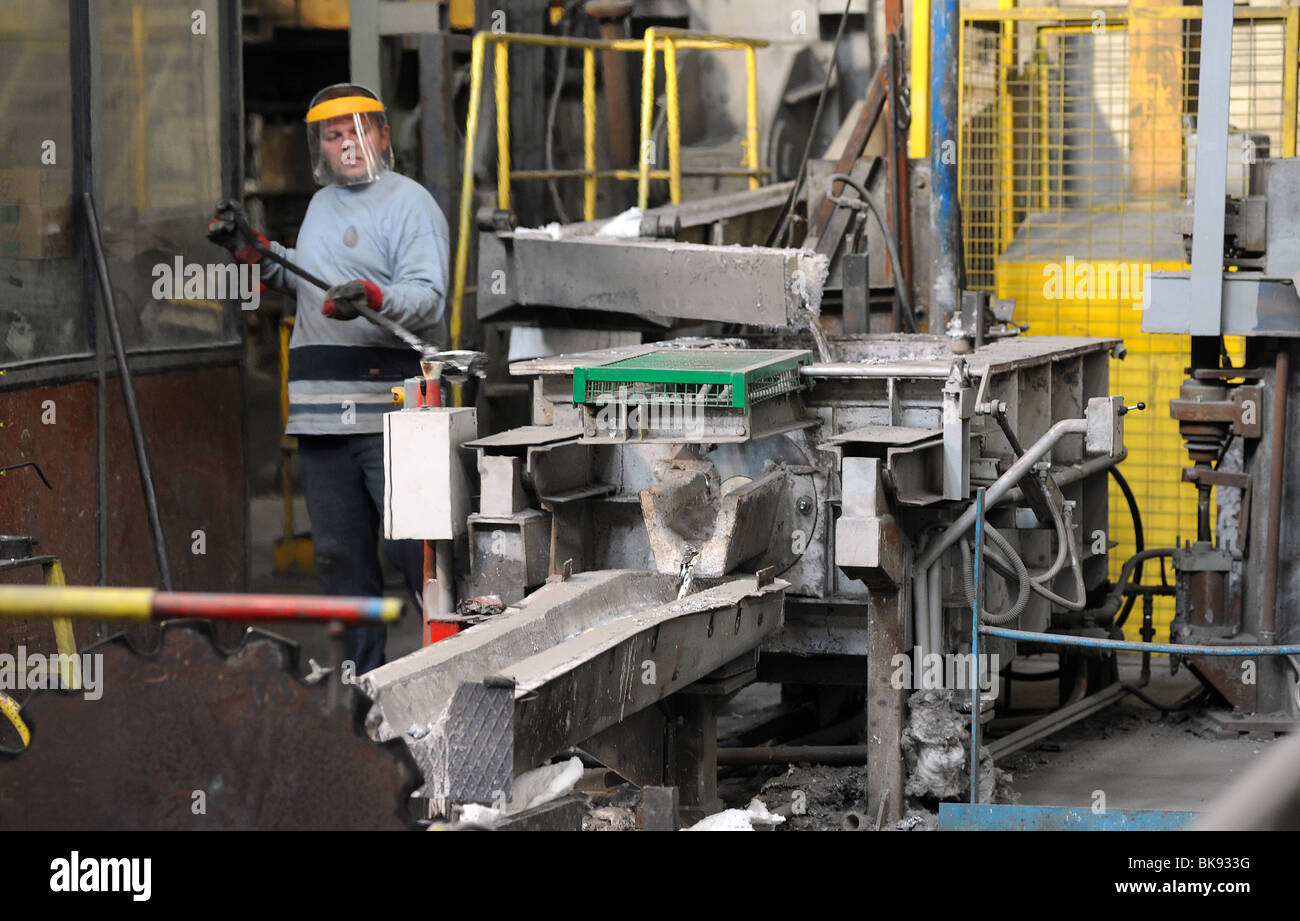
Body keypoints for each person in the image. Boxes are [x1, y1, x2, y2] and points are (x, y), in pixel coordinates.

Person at [208, 83, 449, 673]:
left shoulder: (410, 204)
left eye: (358, 131)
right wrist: (259, 255)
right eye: (334, 135)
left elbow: (428, 297)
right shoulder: (320, 206)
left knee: (410, 551)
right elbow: (308, 282)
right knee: (340, 559)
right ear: (320, 145)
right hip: (320, 416)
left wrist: (371, 296)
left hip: (388, 412)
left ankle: (446, 675)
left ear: (383, 136)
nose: (347, 144)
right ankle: (360, 686)